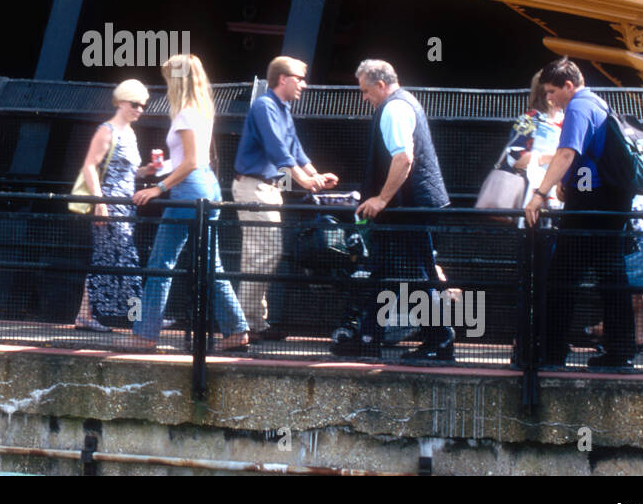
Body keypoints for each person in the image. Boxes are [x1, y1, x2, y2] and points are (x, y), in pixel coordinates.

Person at [331, 59, 453, 361]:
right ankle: (371, 337)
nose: (364, 98)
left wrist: (381, 199)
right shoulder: (407, 103)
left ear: (381, 85)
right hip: (414, 207)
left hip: (405, 210)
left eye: (365, 91)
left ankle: (439, 341)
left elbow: (403, 159)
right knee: (394, 273)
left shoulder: (393, 109)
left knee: (413, 275)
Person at [130, 54, 249, 351]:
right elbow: (193, 160)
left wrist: (158, 187)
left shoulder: (184, 113)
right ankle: (237, 330)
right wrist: (162, 166)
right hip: (206, 187)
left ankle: (144, 335)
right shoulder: (200, 111)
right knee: (211, 264)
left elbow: (192, 162)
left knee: (161, 262)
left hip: (188, 191)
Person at [525, 58, 634, 369]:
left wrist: (539, 194)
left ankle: (551, 350)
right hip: (608, 201)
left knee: (562, 276)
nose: (549, 98)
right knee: (611, 275)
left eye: (550, 91)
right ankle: (620, 351)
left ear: (568, 86)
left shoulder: (577, 106)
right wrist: (566, 182)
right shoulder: (598, 102)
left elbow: (567, 152)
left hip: (591, 205)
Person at [232, 56, 338, 340]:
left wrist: (316, 175)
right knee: (263, 253)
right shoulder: (264, 106)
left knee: (260, 254)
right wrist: (305, 181)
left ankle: (251, 323)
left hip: (267, 188)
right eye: (299, 79)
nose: (304, 84)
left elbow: (296, 151)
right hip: (254, 187)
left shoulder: (283, 109)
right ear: (283, 79)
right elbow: (278, 149)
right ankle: (245, 325)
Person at [73, 79, 158, 332]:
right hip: (110, 204)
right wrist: (100, 203)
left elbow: (128, 173)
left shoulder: (129, 134)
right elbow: (90, 165)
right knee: (126, 260)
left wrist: (148, 170)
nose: (140, 109)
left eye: (142, 105)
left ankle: (85, 315)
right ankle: (139, 318)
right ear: (121, 102)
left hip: (124, 206)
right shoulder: (107, 131)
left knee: (107, 259)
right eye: (135, 104)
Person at [586, 157, 643, 357]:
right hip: (619, 237)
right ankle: (608, 331)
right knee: (620, 291)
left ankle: (635, 338)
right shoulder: (615, 191)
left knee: (639, 293)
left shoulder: (640, 199)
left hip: (639, 239)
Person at [509, 70, 564, 209]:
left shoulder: (568, 118)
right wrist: (553, 158)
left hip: (561, 194)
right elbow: (514, 159)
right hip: (533, 194)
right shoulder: (529, 120)